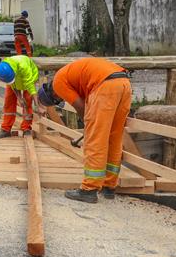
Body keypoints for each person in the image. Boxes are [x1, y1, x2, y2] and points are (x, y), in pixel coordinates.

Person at [37, 57, 131, 203]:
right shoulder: (68, 75)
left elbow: (80, 107)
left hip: (105, 86)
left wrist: (89, 125)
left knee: (95, 140)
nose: (61, 99)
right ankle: (109, 186)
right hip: (123, 83)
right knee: (114, 137)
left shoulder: (58, 83)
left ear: (52, 95)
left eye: (57, 100)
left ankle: (89, 189)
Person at [0, 54, 46, 138]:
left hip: (29, 79)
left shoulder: (24, 67)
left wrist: (38, 106)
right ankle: (6, 129)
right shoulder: (5, 68)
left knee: (27, 101)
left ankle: (26, 128)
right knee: (8, 101)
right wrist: (18, 97)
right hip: (16, 79)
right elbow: (12, 84)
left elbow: (31, 87)